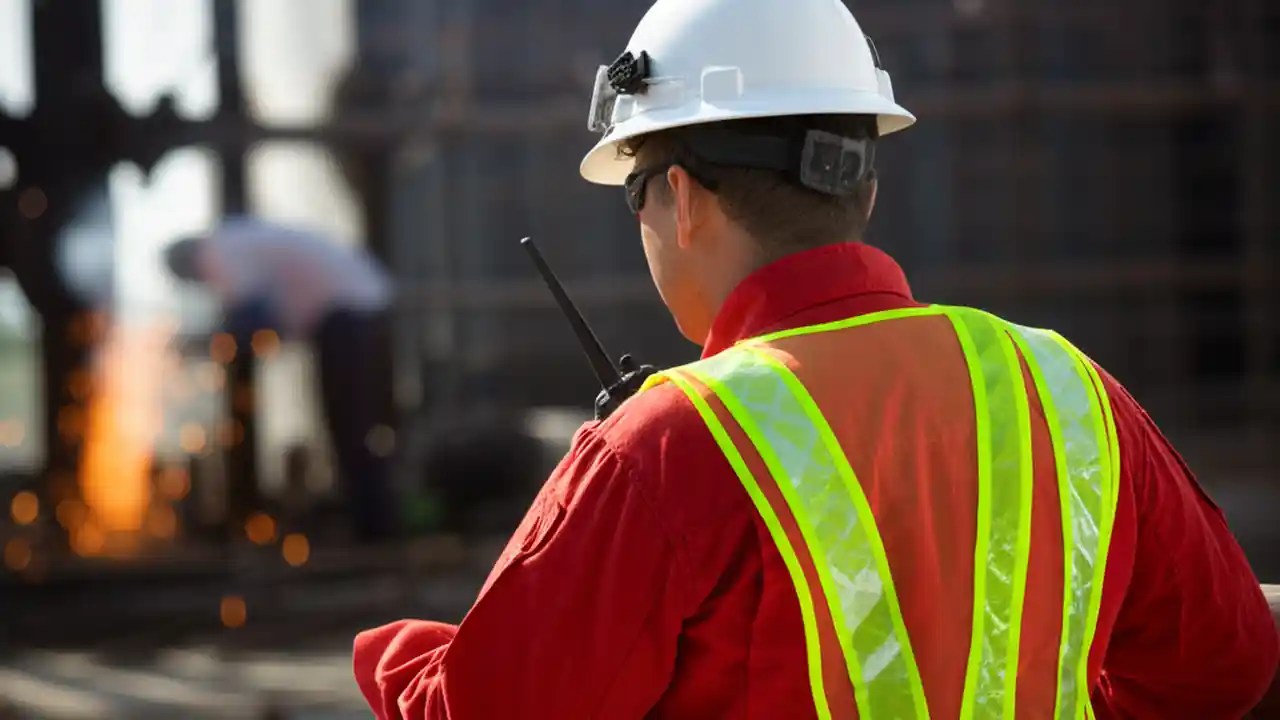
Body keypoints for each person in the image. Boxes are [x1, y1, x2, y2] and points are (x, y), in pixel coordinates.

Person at [352, 0, 1278, 717]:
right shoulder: (1069, 389)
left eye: (632, 193)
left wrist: (384, 653)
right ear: (862, 187)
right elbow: (1226, 666)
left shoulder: (668, 446)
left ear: (680, 197)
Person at [166, 216, 398, 542]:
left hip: (348, 312)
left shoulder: (217, 254)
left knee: (350, 422)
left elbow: (250, 317)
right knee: (350, 423)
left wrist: (204, 342)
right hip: (356, 306)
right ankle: (372, 524)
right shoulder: (236, 241)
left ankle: (377, 529)